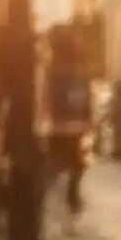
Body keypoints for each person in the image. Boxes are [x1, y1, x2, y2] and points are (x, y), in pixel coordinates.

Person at [45, 36, 95, 219]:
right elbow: (88, 100)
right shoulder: (81, 74)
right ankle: (72, 197)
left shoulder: (53, 73)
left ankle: (58, 199)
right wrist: (89, 122)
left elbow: (49, 99)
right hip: (77, 127)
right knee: (77, 166)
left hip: (59, 126)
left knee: (58, 165)